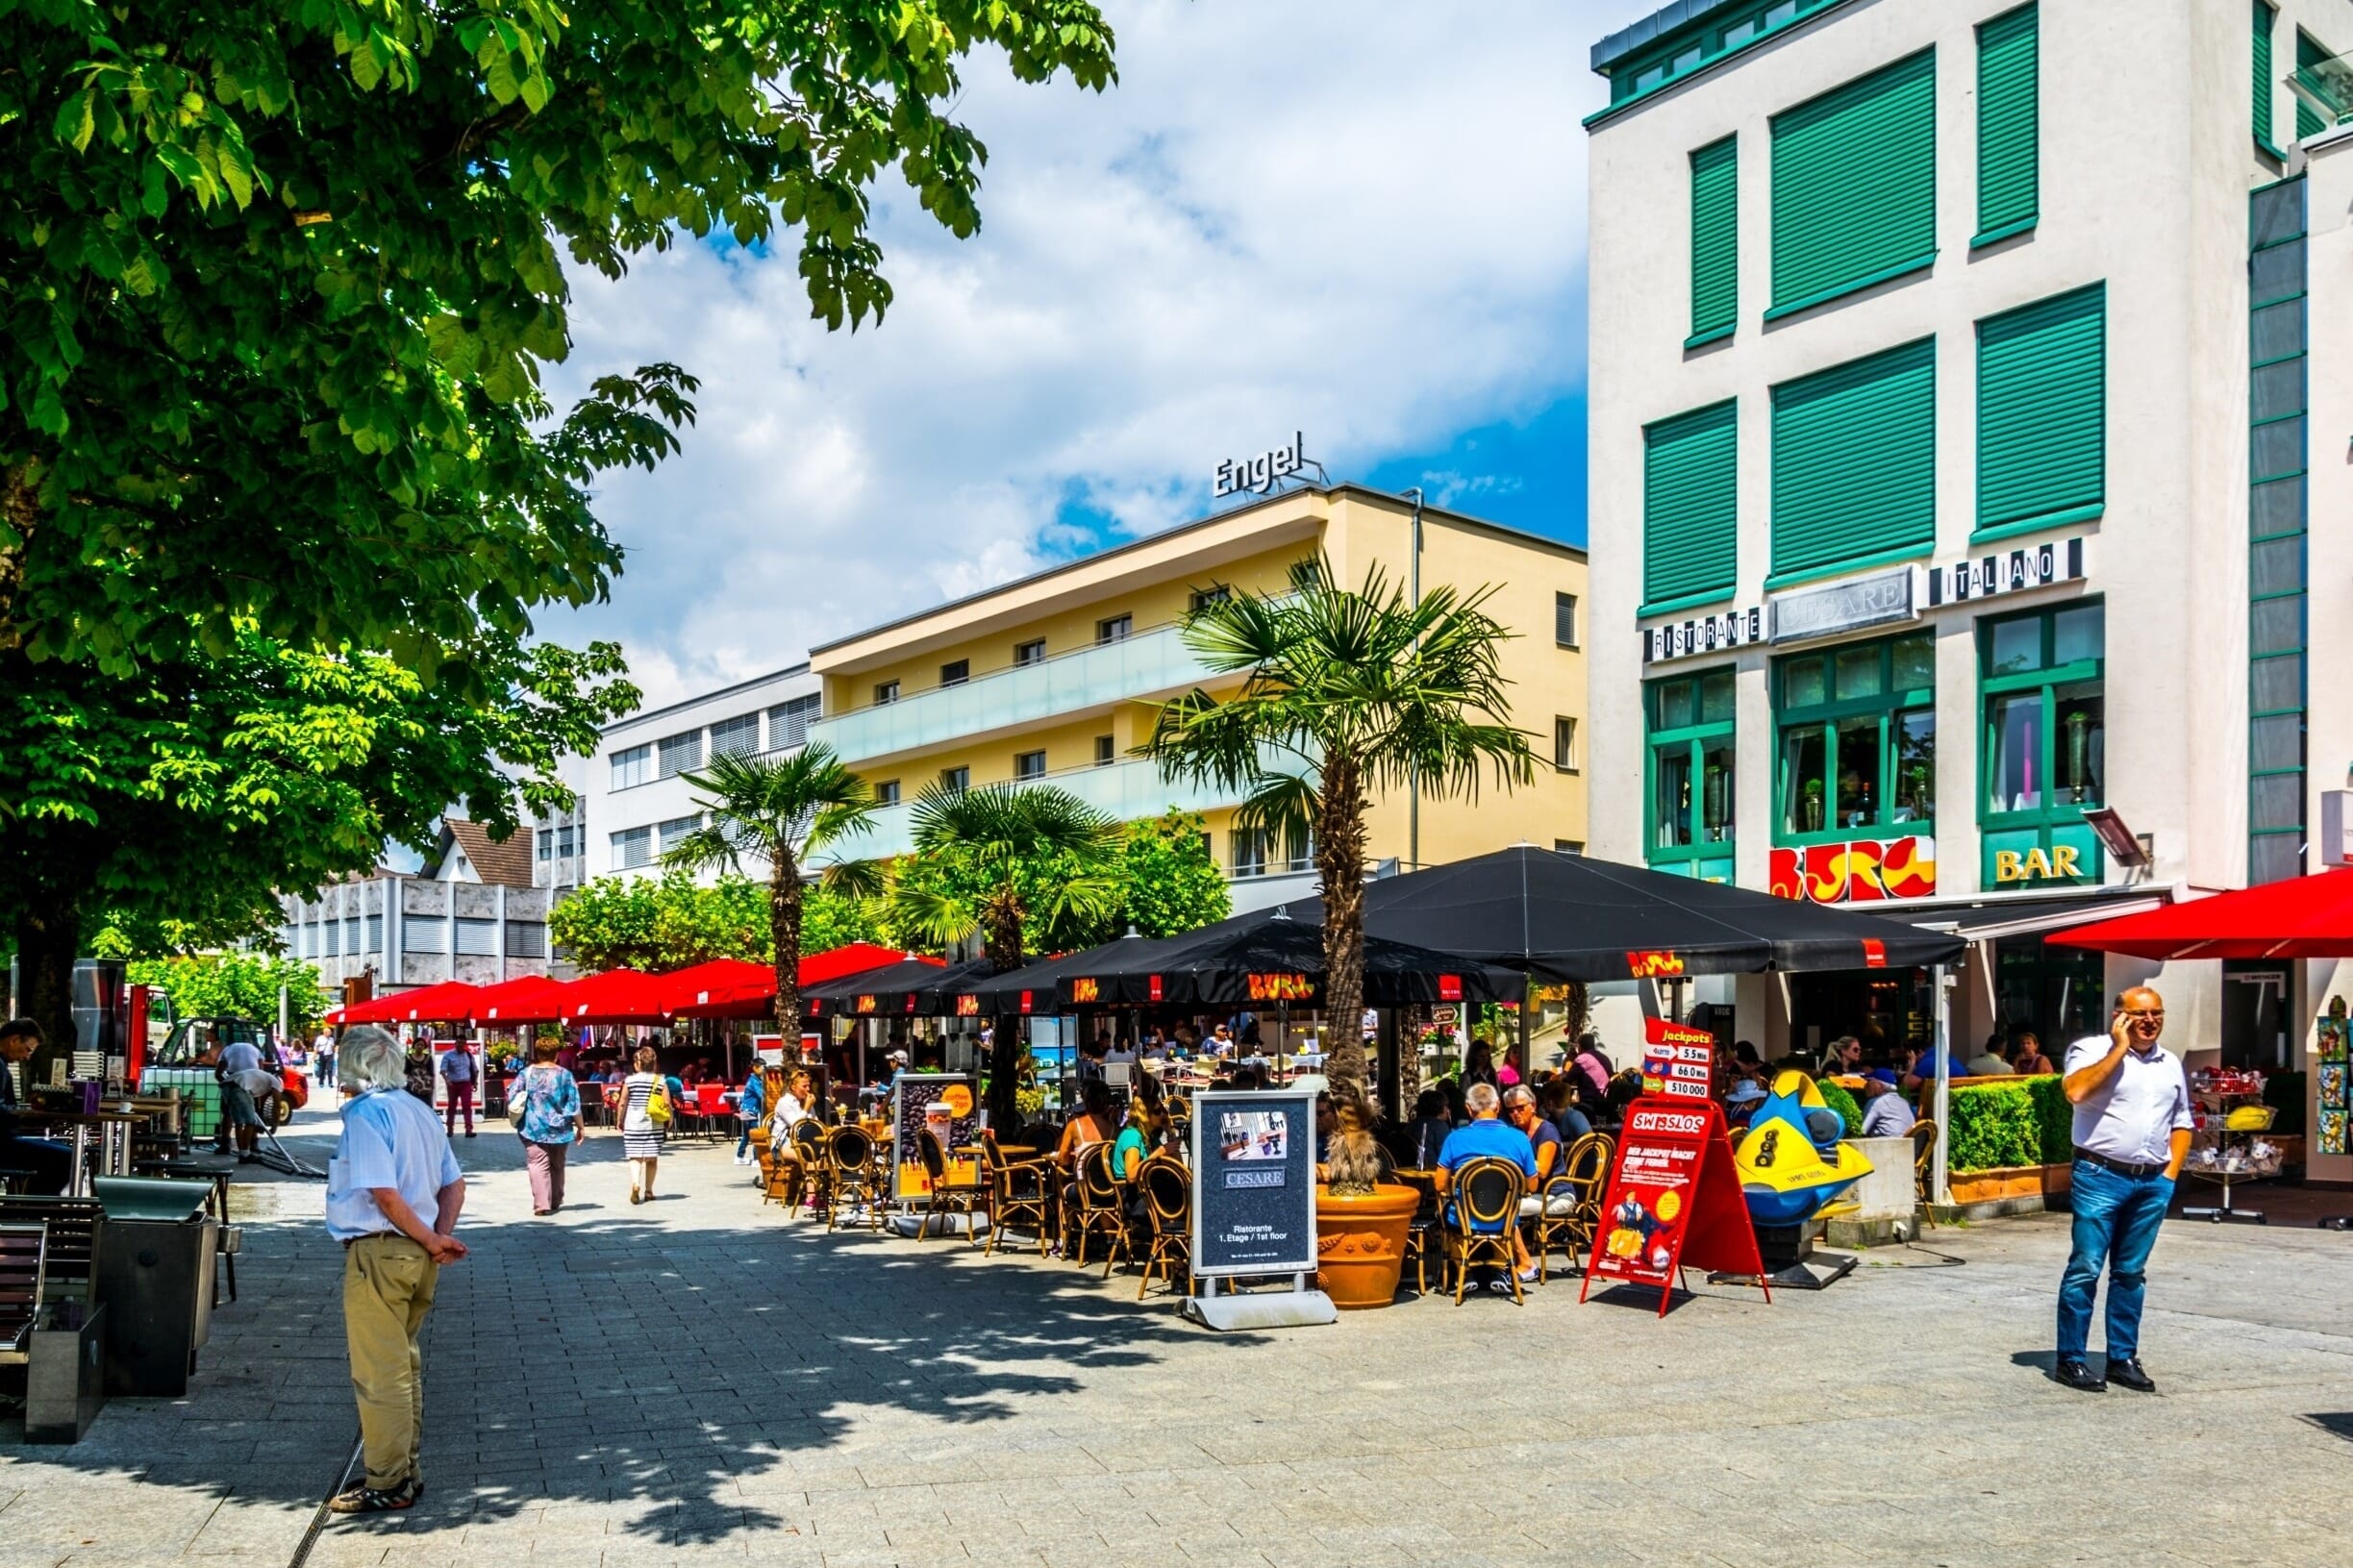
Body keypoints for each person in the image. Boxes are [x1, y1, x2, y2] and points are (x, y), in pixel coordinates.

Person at [324, 1025, 466, 1514]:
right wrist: (435, 1239)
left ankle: (388, 1482)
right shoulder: (419, 1111)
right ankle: (406, 1471)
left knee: (380, 1373)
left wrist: (430, 1238)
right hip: (415, 1255)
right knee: (403, 1366)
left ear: (355, 1066)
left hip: (380, 1252)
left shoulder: (367, 1115)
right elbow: (454, 1184)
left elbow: (382, 1192)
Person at [2053, 986, 2193, 1395]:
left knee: (2131, 1274)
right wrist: (2118, 1048)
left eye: (2156, 1014)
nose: (2149, 1022)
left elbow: (2182, 1121)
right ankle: (2072, 1359)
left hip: (2152, 1182)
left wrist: (2169, 1176)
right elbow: (2076, 1092)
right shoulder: (2090, 1049)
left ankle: (2122, 1358)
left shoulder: (2170, 1063)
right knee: (2086, 1268)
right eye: (2139, 1014)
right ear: (2119, 1016)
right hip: (2100, 1176)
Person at [1432, 1083, 1538, 1293]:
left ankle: (1466, 1270)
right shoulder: (1519, 1139)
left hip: (1464, 1219)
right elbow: (1532, 1185)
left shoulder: (1455, 1138)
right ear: (1498, 1106)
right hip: (1504, 1219)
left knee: (1442, 1215)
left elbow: (1439, 1184)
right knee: (1507, 1217)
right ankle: (1499, 1270)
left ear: (1469, 1109)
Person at [509, 1039, 583, 1216]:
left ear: (538, 1053)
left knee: (537, 1163)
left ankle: (542, 1204)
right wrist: (580, 1126)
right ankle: (556, 1200)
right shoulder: (565, 1075)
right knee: (557, 1164)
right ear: (557, 1054)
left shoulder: (526, 1073)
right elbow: (574, 1103)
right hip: (560, 1127)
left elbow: (512, 1094)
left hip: (532, 1126)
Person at [0, 1020, 74, 1194]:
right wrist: (24, 1113)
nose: (27, 1057)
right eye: (28, 1049)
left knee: (67, 1153)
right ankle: (30, 1210)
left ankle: (28, 1208)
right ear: (15, 1040)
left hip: (7, 1139)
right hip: (3, 1144)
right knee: (69, 1157)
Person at [1502, 1084, 1566, 1284]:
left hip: (1556, 1194)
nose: (1515, 1113)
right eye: (1511, 1110)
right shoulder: (1514, 1132)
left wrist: (1515, 1156)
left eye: (1520, 1108)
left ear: (1533, 1106)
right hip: (1530, 1194)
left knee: (1505, 1211)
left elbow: (1542, 1170)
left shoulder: (1547, 1130)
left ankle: (1527, 1264)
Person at [618, 1046, 669, 1206]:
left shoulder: (630, 1081)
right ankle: (649, 1190)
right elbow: (666, 1104)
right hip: (654, 1124)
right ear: (654, 1064)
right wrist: (669, 1122)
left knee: (635, 1157)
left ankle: (635, 1183)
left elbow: (622, 1102)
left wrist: (619, 1120)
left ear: (637, 1064)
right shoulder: (660, 1081)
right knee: (652, 1159)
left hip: (633, 1123)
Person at [215, 1031, 270, 1159]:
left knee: (230, 1116)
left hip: (233, 1081)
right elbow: (260, 1071)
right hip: (250, 1080)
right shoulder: (255, 1049)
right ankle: (252, 1145)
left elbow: (218, 1073)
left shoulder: (227, 1049)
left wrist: (226, 1084)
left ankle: (226, 1144)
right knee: (251, 1118)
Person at [1403, 1088, 1452, 1169]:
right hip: (1432, 1171)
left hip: (1409, 1171)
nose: (1448, 1110)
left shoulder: (1411, 1125)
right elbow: (1445, 1157)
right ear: (1440, 1107)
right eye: (1446, 1106)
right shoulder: (1440, 1126)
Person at [1539, 1073, 1594, 1143]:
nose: (1543, 1106)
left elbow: (1589, 1143)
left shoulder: (1576, 1117)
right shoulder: (1551, 1120)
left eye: (1543, 1101)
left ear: (1550, 1103)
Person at [1858, 1071, 1915, 1138]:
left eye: (1869, 1082)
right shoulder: (1904, 1102)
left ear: (1880, 1086)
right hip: (1908, 1145)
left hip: (1886, 1146)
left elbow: (1861, 1131)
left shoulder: (1875, 1102)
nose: (1865, 1086)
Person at [438, 1039, 478, 1138]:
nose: (461, 1045)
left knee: (467, 1107)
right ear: (455, 1044)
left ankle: (469, 1129)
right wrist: (447, 1080)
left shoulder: (468, 1055)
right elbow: (443, 1070)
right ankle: (450, 1129)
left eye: (463, 1043)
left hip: (466, 1083)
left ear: (465, 1045)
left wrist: (475, 1082)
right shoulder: (448, 1055)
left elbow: (475, 1069)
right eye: (459, 1043)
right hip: (453, 1084)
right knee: (452, 1107)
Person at [734, 1061, 766, 1166]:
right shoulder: (753, 1081)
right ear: (755, 1068)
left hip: (748, 1111)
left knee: (747, 1136)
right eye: (762, 1067)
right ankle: (756, 1159)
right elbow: (761, 1094)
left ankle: (739, 1157)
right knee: (756, 1134)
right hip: (749, 1112)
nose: (763, 1070)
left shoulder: (756, 1080)